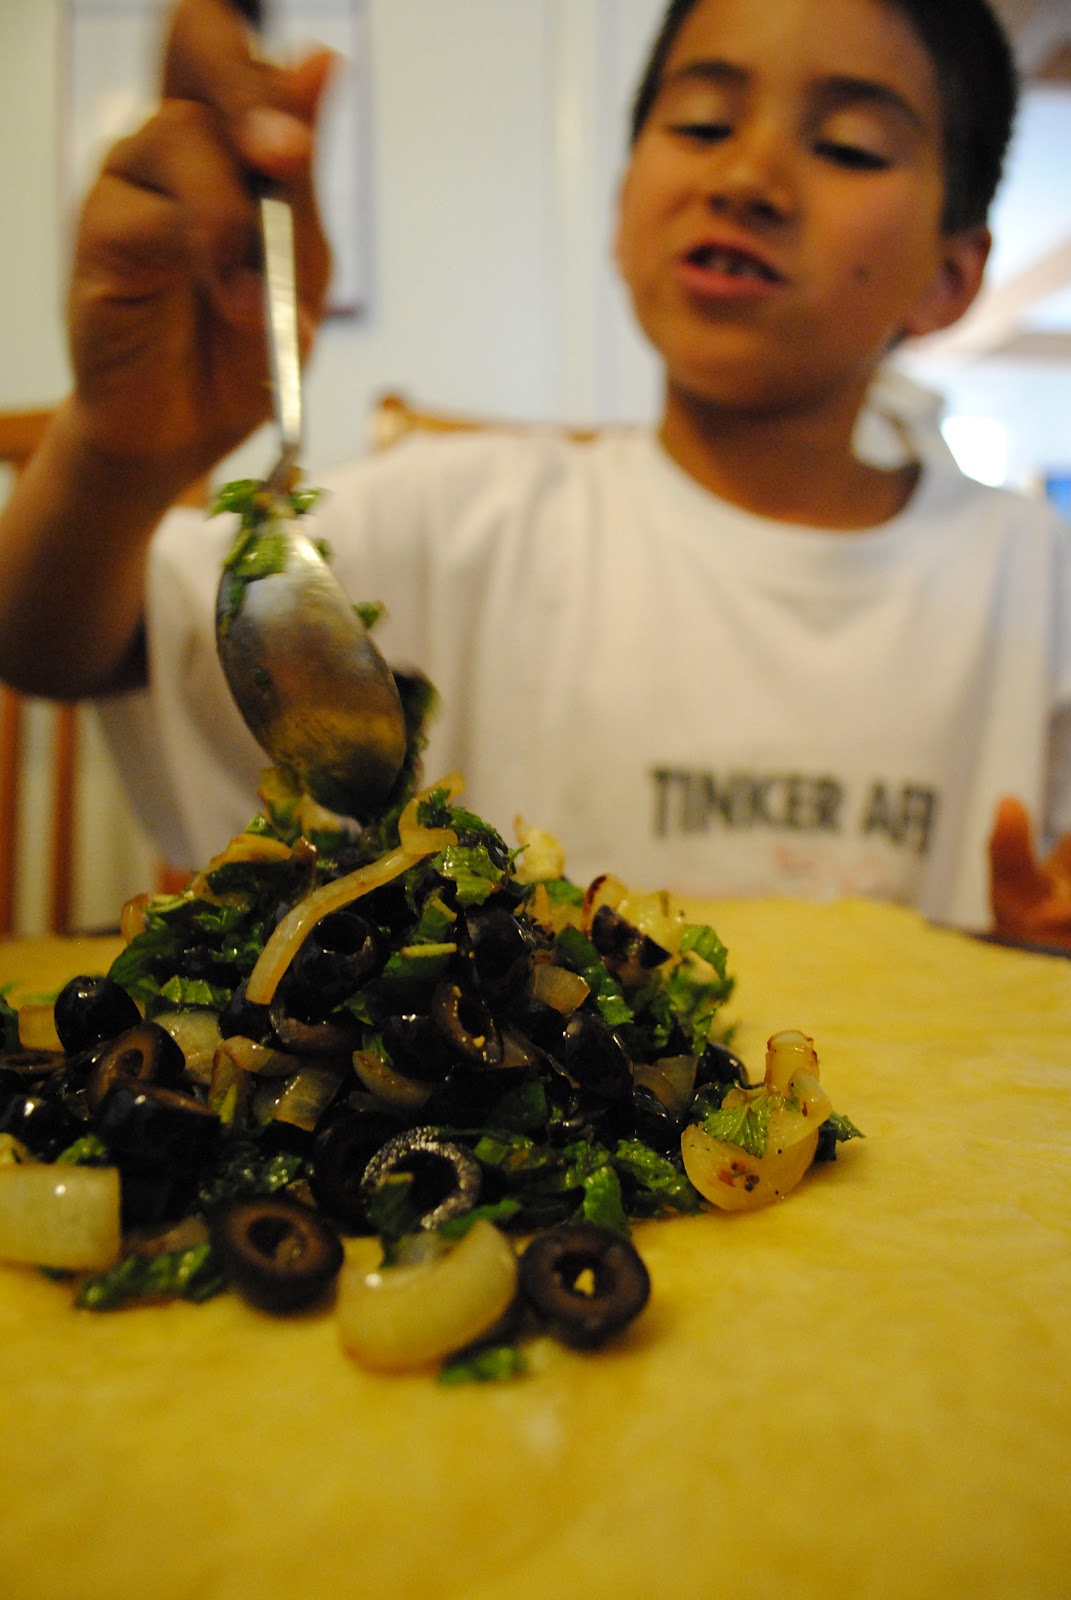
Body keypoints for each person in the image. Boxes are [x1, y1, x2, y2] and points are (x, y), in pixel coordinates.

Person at [1, 0, 1070, 943]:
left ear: (950, 274)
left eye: (848, 146)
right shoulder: (461, 519)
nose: (747, 177)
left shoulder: (1035, 582)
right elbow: (51, 642)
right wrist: (115, 456)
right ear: (622, 203)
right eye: (702, 124)